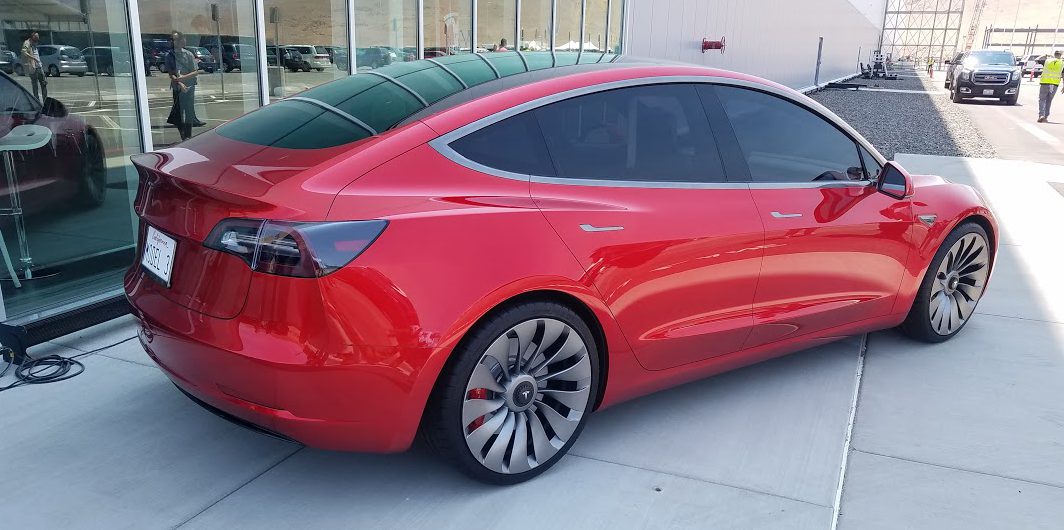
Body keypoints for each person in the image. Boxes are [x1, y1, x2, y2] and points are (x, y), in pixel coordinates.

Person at [164, 31, 203, 141]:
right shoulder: (169, 55)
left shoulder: (188, 54)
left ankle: (188, 135)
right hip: (177, 87)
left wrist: (183, 79)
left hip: (189, 86)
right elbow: (171, 73)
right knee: (179, 112)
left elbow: (195, 71)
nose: (174, 41)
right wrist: (180, 82)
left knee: (189, 111)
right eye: (172, 39)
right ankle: (183, 135)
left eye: (176, 39)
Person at [1038, 50, 1064, 123]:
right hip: (1055, 84)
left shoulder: (1047, 61)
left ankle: (1041, 115)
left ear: (1054, 54)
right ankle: (1045, 116)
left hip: (1045, 82)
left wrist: (1044, 54)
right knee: (1049, 100)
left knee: (1042, 99)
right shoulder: (1062, 63)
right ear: (1060, 55)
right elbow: (1063, 75)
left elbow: (1037, 60)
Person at [20, 31, 46, 100]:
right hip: (33, 67)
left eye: (38, 38)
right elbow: (23, 52)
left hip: (39, 66)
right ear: (32, 37)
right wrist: (33, 58)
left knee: (44, 83)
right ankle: (36, 100)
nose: (37, 39)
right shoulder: (27, 43)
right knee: (35, 85)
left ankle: (45, 100)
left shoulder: (34, 44)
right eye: (36, 37)